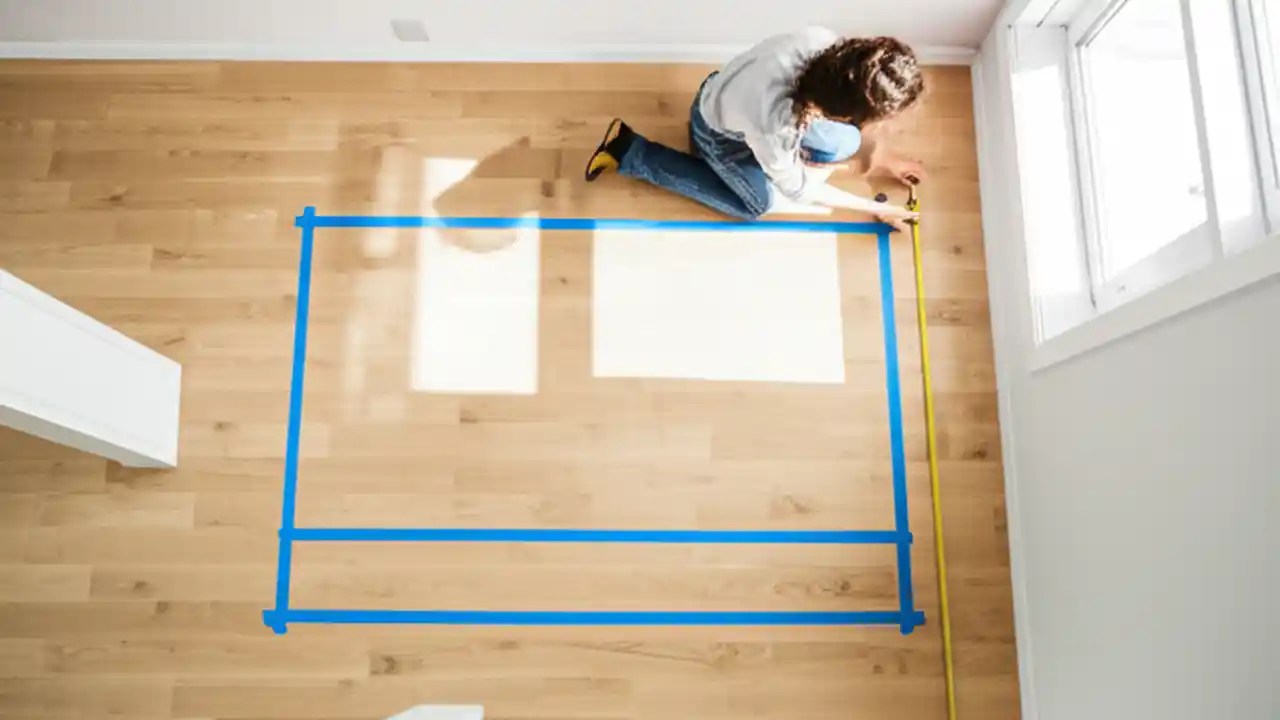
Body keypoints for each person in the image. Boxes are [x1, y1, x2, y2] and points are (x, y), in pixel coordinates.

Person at [584, 29, 925, 230]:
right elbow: (802, 192)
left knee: (846, 142)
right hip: (717, 134)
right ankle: (628, 150)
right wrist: (874, 207)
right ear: (838, 110)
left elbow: (848, 115)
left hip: (727, 94)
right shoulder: (775, 126)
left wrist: (884, 159)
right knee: (754, 206)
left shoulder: (824, 44)